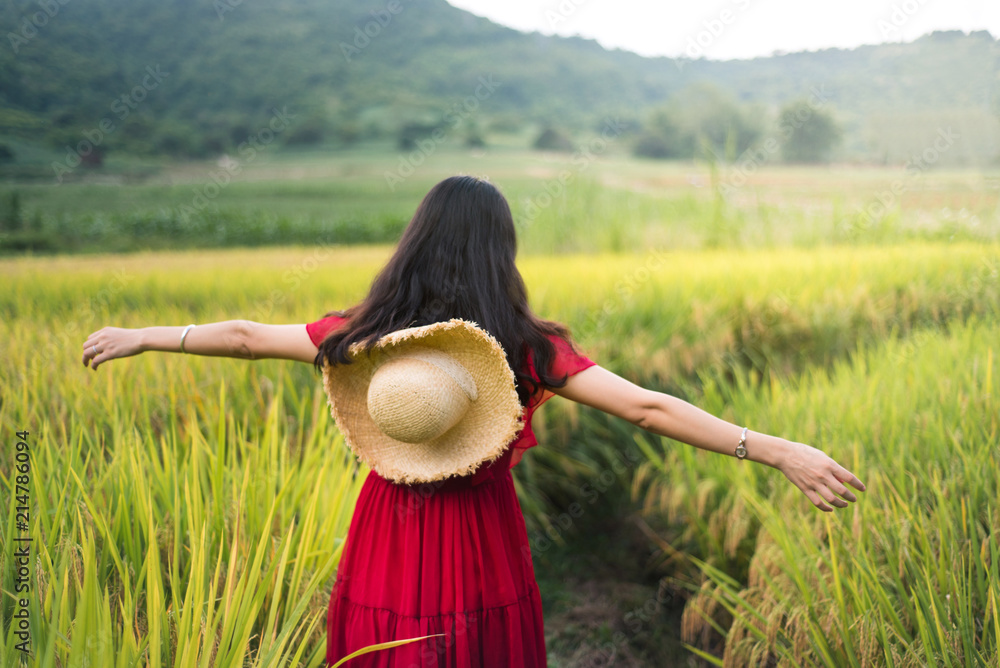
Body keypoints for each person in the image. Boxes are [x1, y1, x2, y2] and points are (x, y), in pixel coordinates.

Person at [82, 175, 865, 667]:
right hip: (481, 534)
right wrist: (774, 448)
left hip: (387, 523)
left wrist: (146, 336)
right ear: (503, 251)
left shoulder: (364, 331)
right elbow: (646, 408)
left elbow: (250, 338)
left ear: (414, 244)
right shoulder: (529, 349)